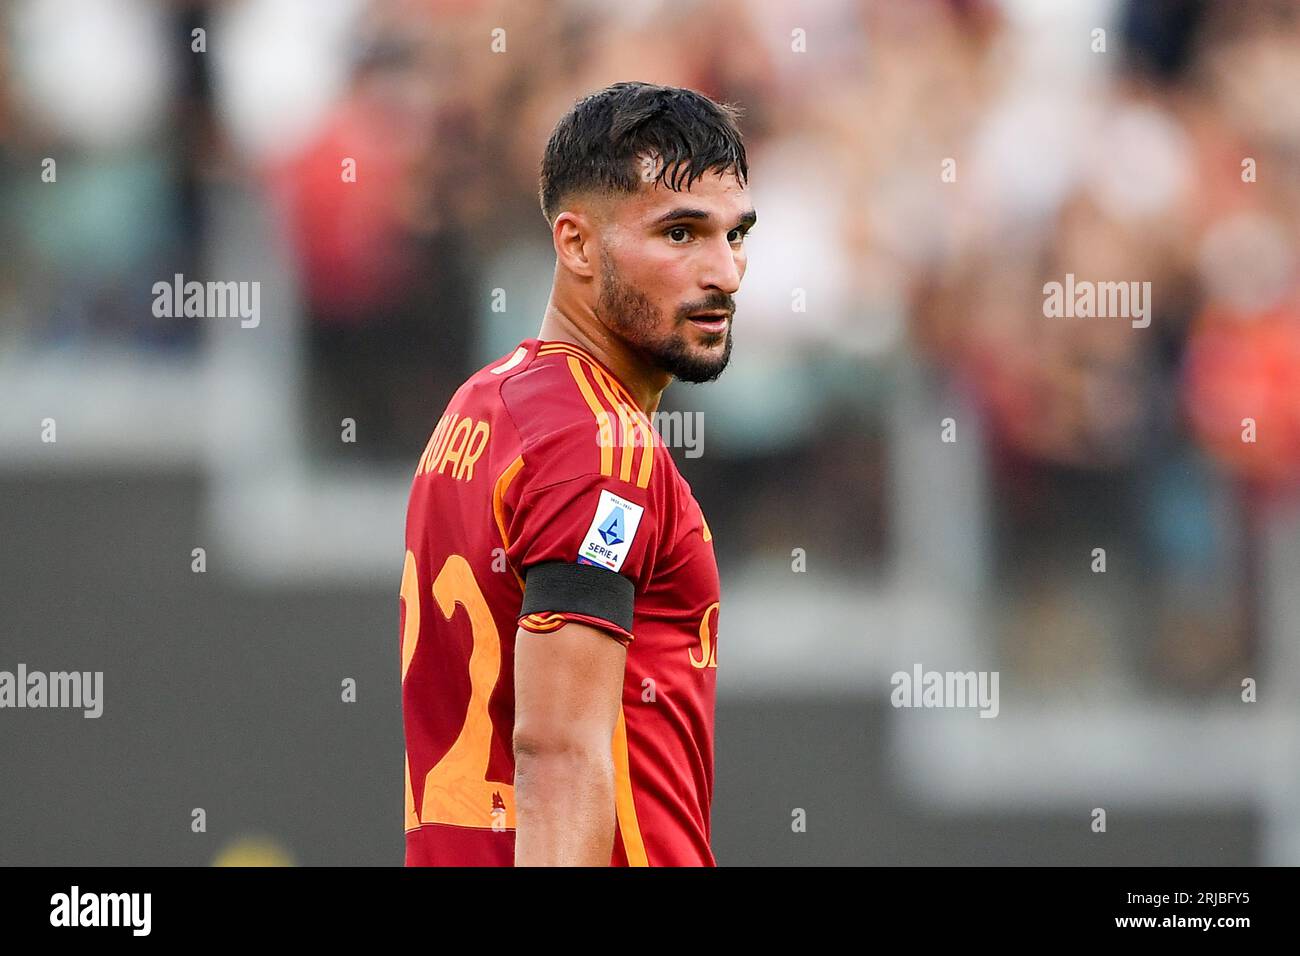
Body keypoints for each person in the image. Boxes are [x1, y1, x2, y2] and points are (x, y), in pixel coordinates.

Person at [400, 81, 755, 865]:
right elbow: (557, 758)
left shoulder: (480, 407)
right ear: (576, 244)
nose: (724, 273)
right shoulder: (600, 448)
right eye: (681, 233)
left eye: (736, 236)